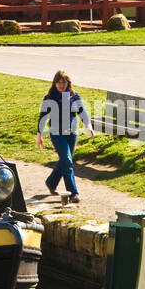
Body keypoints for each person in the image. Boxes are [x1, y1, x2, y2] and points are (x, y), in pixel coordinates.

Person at [35, 70, 92, 203]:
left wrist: (89, 126)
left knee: (65, 161)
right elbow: (42, 118)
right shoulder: (49, 97)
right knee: (67, 161)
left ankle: (51, 182)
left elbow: (82, 113)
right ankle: (73, 193)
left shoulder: (73, 95)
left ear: (68, 83)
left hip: (72, 133)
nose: (61, 85)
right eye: (59, 82)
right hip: (57, 133)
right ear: (54, 83)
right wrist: (39, 136)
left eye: (64, 82)